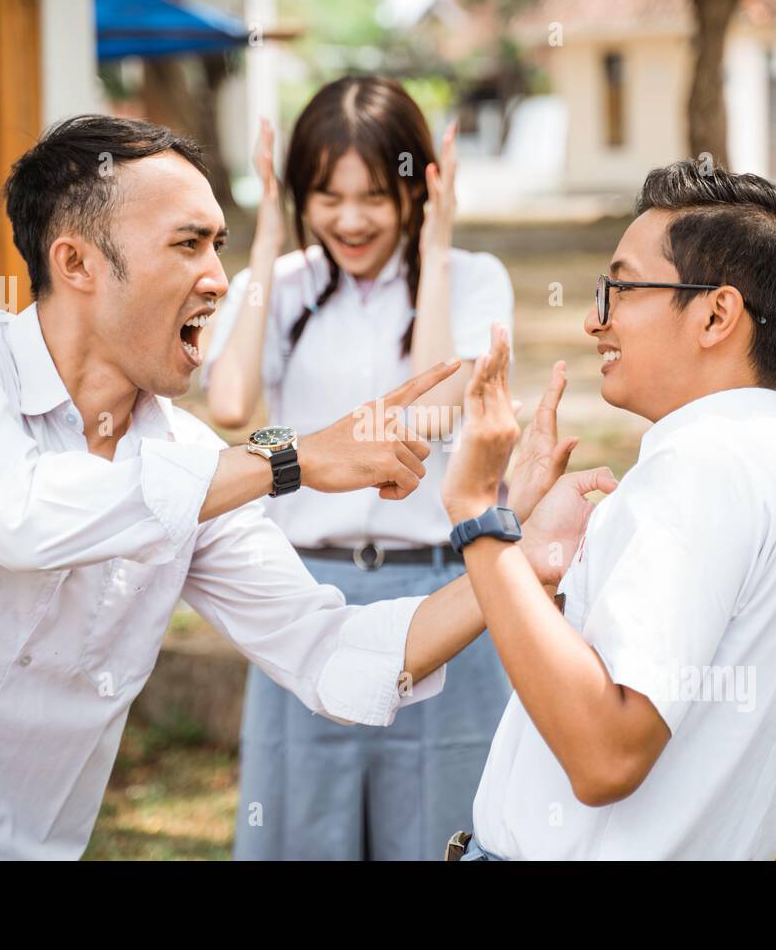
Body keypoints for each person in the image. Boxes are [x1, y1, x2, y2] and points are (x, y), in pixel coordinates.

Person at [0, 114, 593, 860]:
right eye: (187, 244)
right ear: (76, 262)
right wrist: (291, 457)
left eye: (219, 245)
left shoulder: (189, 465)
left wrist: (509, 548)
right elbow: (25, 517)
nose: (220, 279)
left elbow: (334, 654)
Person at [439, 161, 776, 860]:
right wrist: (527, 561)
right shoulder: (773, 466)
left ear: (716, 314)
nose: (594, 319)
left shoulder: (702, 471)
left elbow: (606, 755)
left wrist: (478, 516)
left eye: (622, 287)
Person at [201, 76, 536, 860]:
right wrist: (262, 245)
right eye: (326, 195)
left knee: (445, 831)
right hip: (306, 602)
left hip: (447, 598)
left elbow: (431, 415)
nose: (350, 220)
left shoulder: (475, 277)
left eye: (377, 196)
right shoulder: (274, 288)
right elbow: (229, 402)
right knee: (302, 837)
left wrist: (436, 245)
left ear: (418, 190)